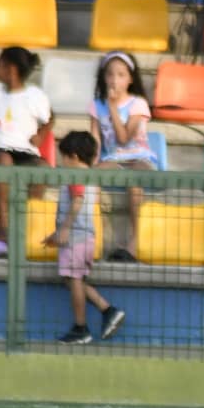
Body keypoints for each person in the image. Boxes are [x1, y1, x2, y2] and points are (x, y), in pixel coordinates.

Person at [44, 131, 126, 345]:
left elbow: (78, 200)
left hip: (76, 236)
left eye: (64, 157)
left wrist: (64, 229)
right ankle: (108, 311)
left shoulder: (75, 176)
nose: (62, 163)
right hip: (83, 236)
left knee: (75, 279)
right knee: (71, 280)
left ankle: (81, 327)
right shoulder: (90, 177)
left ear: (74, 157)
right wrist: (58, 233)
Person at [0, 46, 54, 258]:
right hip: (0, 153)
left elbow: (50, 118)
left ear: (11, 70)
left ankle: (28, 224)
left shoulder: (35, 95)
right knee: (5, 163)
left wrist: (42, 134)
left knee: (44, 169)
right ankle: (3, 229)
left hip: (27, 153)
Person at [88, 51, 157, 263]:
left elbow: (124, 137)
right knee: (90, 179)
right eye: (110, 74)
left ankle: (134, 242)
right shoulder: (95, 105)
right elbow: (95, 138)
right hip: (113, 160)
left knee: (133, 180)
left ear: (130, 79)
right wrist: (92, 165)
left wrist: (112, 107)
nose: (114, 80)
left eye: (120, 75)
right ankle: (91, 238)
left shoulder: (138, 104)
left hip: (139, 158)